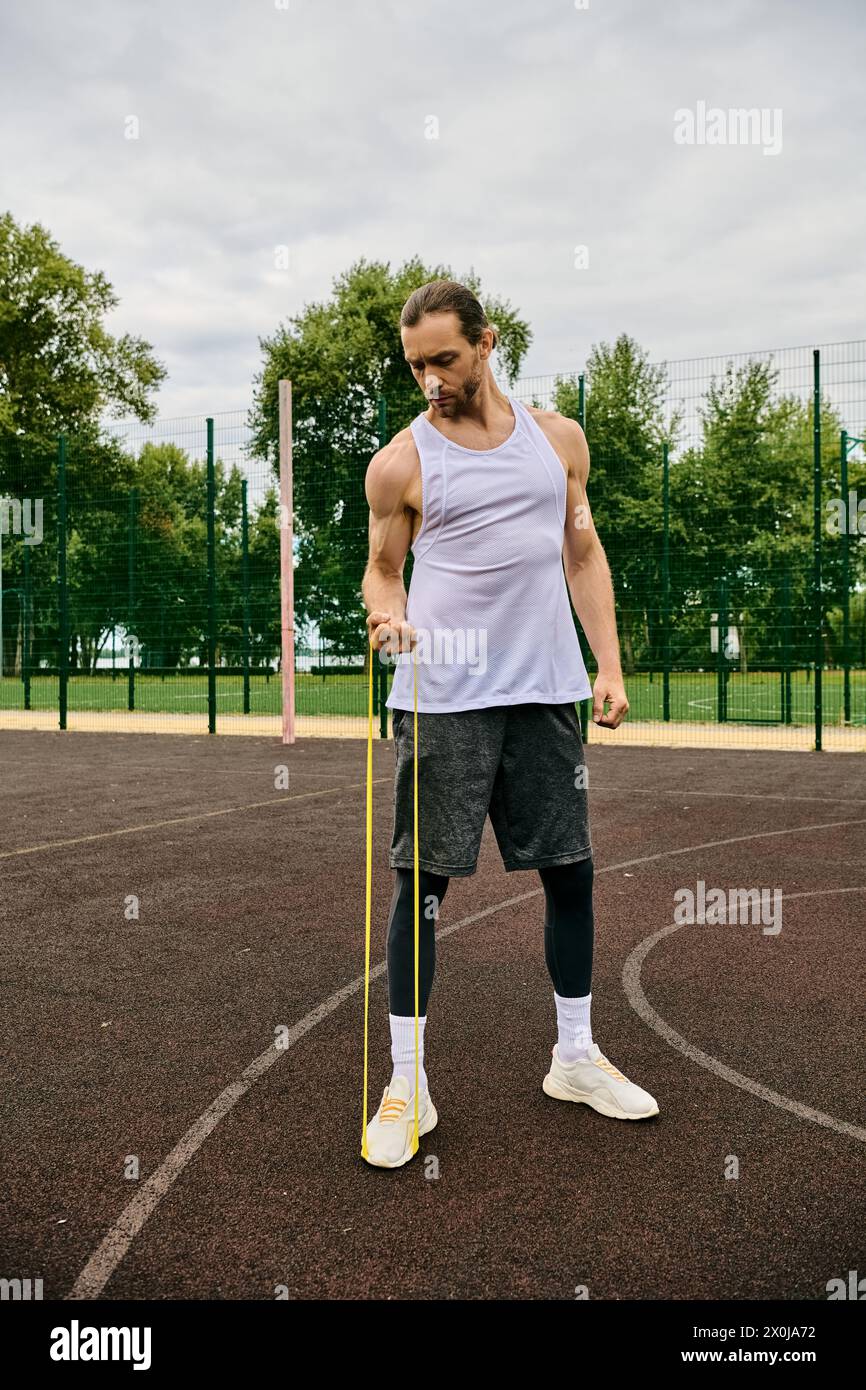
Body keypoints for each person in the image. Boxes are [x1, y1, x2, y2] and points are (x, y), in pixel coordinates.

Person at [361, 279, 658, 1168]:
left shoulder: (558, 441)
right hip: (443, 696)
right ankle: (406, 1084)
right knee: (424, 888)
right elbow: (382, 570)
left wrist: (607, 663)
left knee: (571, 874)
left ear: (487, 343)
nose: (431, 380)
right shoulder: (400, 463)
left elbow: (582, 549)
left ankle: (574, 1056)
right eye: (416, 366)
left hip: (543, 694)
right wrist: (388, 616)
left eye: (444, 360)